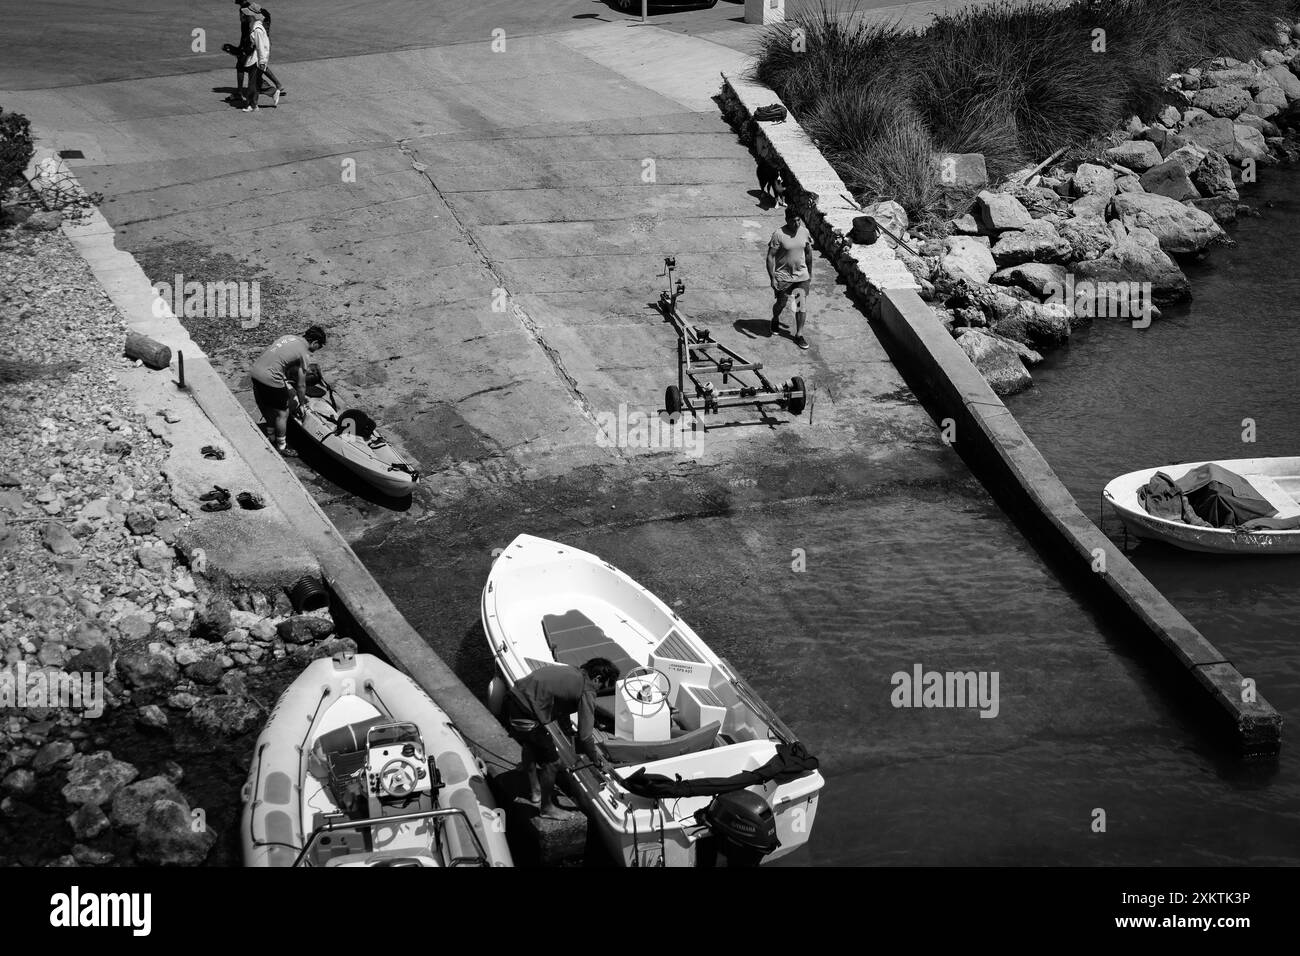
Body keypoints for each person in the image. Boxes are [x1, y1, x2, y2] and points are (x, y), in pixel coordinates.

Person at [504, 658, 620, 820]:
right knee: (553, 763)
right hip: (526, 715)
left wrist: (567, 729)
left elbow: (561, 702)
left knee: (530, 744)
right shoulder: (587, 689)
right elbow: (585, 736)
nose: (600, 691)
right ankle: (547, 808)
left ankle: (536, 791)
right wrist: (596, 760)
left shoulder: (573, 672)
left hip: (513, 700)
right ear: (597, 679)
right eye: (603, 686)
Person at [249, 325, 326, 456]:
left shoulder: (288, 337)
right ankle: (282, 447)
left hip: (255, 372)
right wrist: (302, 404)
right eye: (319, 347)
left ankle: (271, 436)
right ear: (315, 343)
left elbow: (279, 358)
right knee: (282, 413)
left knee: (268, 406)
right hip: (271, 378)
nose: (316, 351)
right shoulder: (304, 354)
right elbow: (301, 386)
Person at [766, 205, 814, 350]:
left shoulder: (804, 232)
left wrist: (810, 273)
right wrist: (772, 277)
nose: (797, 224)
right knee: (781, 303)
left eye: (799, 220)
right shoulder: (778, 234)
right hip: (783, 277)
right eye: (793, 221)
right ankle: (775, 319)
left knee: (800, 305)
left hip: (801, 276)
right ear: (787, 220)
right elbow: (770, 257)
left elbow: (808, 254)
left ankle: (799, 335)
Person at [230, 2, 286, 104]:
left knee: (254, 74)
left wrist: (244, 49)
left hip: (255, 52)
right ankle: (271, 91)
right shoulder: (256, 17)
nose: (242, 16)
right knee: (253, 73)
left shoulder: (256, 25)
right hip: (254, 50)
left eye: (244, 14)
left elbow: (257, 40)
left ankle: (254, 101)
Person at [241, 6, 278, 111]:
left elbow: (261, 47)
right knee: (256, 83)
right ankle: (254, 105)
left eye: (248, 15)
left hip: (256, 60)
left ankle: (251, 105)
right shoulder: (257, 27)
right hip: (257, 59)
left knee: (252, 84)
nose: (246, 17)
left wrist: (262, 62)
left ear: (252, 16)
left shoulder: (257, 29)